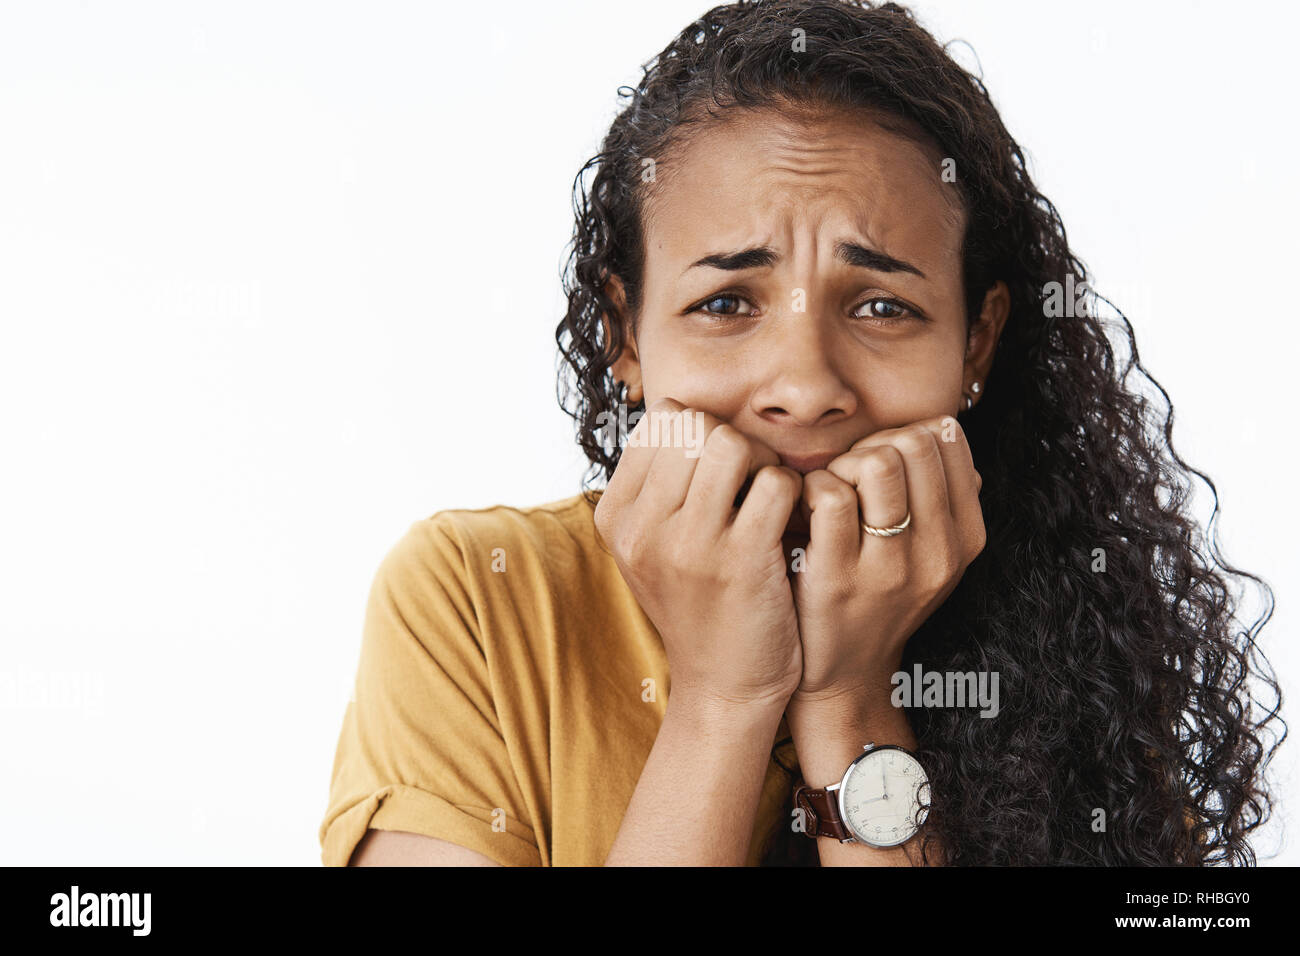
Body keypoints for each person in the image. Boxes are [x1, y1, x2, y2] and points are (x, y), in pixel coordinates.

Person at [319, 0, 1283, 867]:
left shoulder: (1087, 643)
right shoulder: (471, 603)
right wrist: (721, 701)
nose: (806, 386)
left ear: (975, 342)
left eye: (880, 307)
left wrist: (848, 704)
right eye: (728, 301)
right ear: (627, 340)